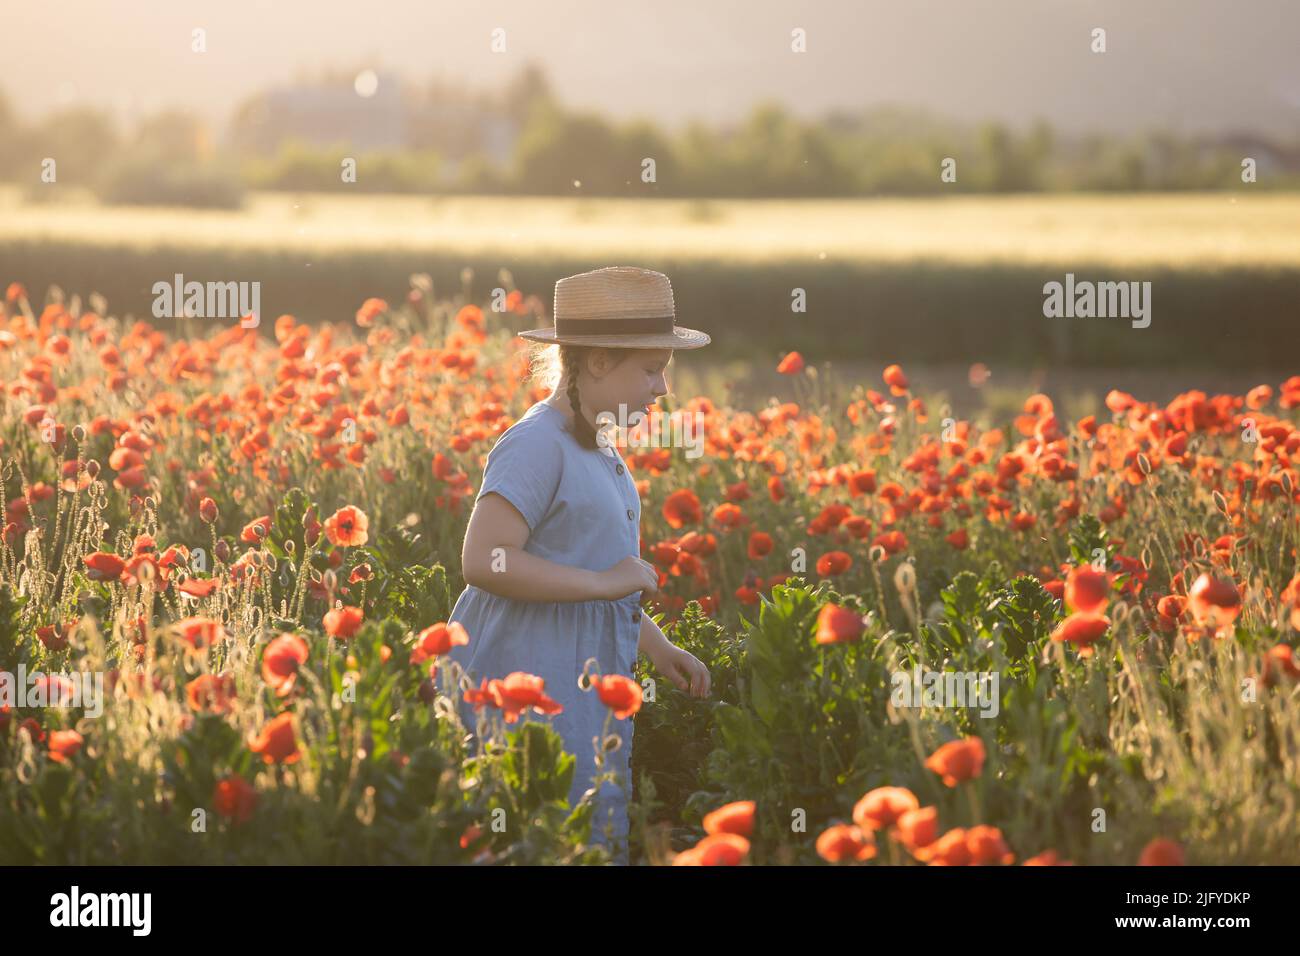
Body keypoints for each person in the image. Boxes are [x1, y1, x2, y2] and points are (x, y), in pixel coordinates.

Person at [445, 266, 714, 864]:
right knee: (534, 829)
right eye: (650, 369)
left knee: (583, 829)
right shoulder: (537, 442)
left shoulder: (600, 446)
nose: (663, 388)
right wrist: (604, 582)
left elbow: (591, 574)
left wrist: (658, 647)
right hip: (527, 679)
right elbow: (484, 559)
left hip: (582, 684)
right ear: (595, 362)